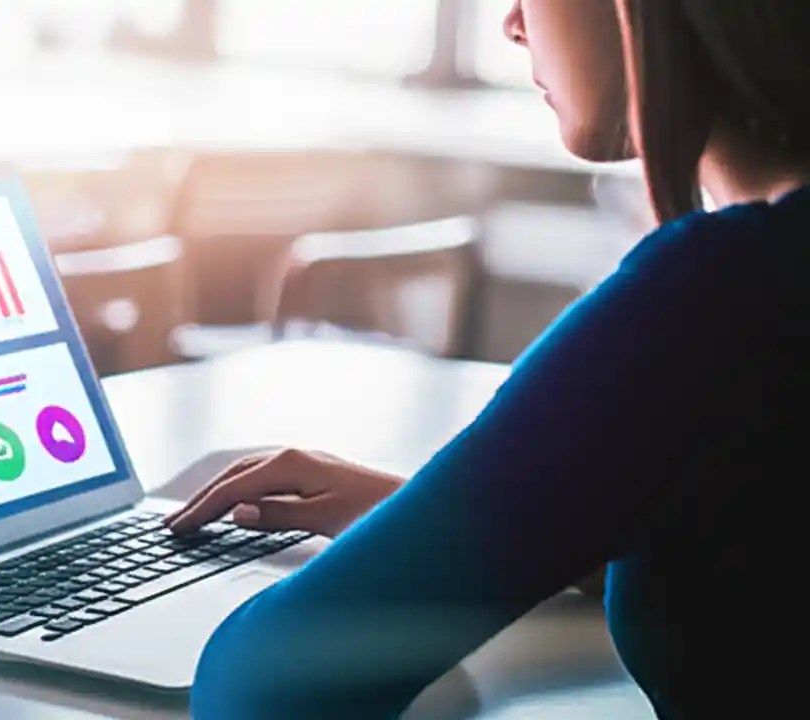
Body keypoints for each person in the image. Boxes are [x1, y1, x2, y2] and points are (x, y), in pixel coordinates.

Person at [168, 1, 809, 717]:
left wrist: (442, 546)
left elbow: (265, 686)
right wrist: (437, 525)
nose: (511, 22)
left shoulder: (717, 297)